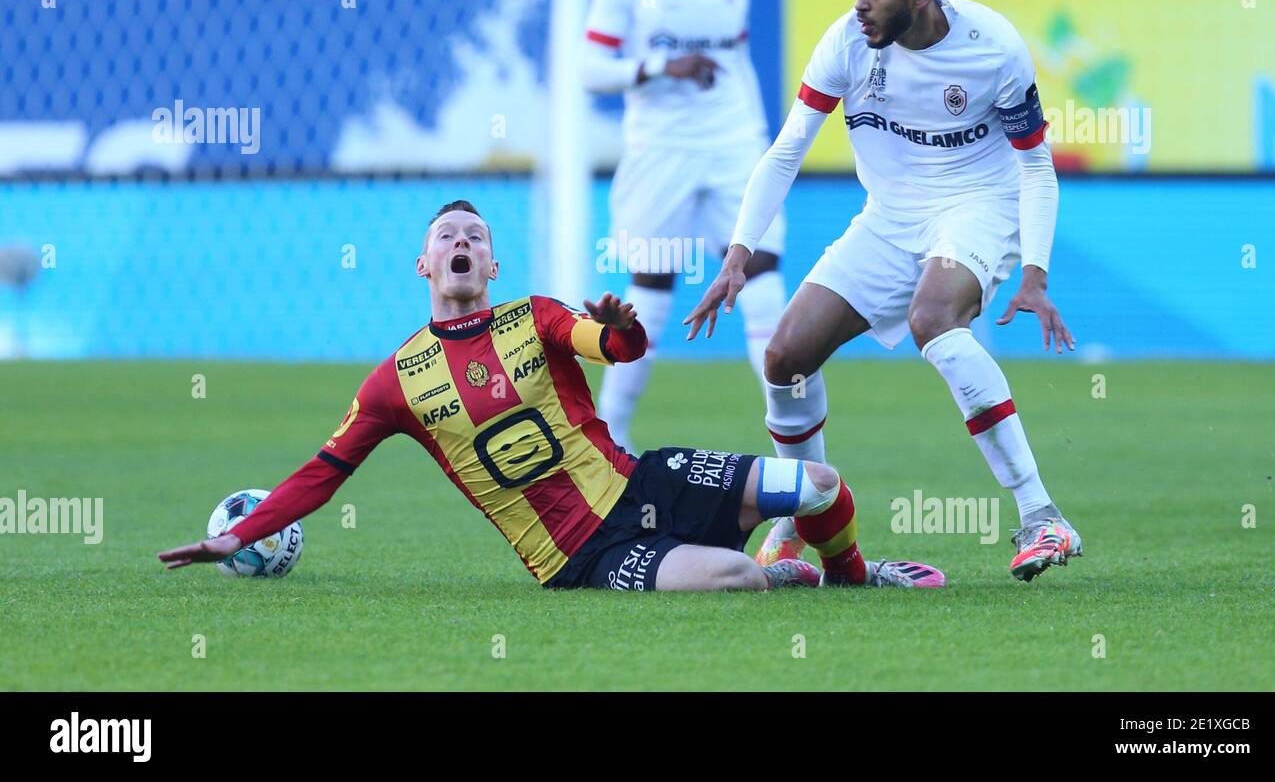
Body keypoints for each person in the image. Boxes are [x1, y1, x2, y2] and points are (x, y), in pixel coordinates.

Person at [158, 201, 943, 592]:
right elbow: (324, 470)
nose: (461, 242)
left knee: (817, 485)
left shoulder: (533, 317)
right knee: (736, 581)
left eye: (475, 236)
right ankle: (780, 568)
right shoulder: (395, 382)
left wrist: (621, 328)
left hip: (645, 482)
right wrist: (241, 535)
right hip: (580, 555)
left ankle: (853, 579)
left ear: (492, 266)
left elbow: (616, 350)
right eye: (447, 237)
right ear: (423, 265)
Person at [684, 0, 1083, 582]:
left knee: (935, 320)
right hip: (888, 218)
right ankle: (799, 512)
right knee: (785, 357)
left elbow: (1036, 167)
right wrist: (738, 253)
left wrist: (1034, 274)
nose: (860, 4)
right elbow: (786, 152)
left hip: (977, 207)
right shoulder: (846, 42)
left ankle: (1042, 515)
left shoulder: (993, 50)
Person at [582, 0, 786, 452]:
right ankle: (610, 436)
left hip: (733, 141)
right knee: (651, 285)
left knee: (761, 273)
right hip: (661, 147)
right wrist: (658, 67)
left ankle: (790, 433)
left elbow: (737, 56)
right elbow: (589, 70)